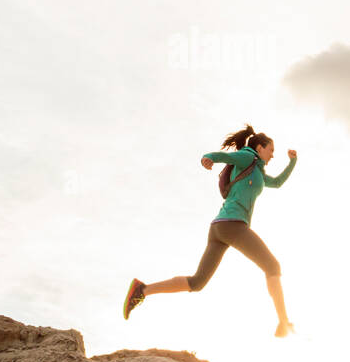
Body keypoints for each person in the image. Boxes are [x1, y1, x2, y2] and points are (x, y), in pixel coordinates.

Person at [123, 124, 298, 337]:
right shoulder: (247, 157)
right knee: (272, 265)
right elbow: (222, 157)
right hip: (232, 224)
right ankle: (283, 322)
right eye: (271, 150)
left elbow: (278, 183)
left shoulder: (258, 172)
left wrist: (293, 162)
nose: (272, 155)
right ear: (259, 148)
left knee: (197, 282)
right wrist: (208, 158)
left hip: (220, 228)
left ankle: (142, 290)